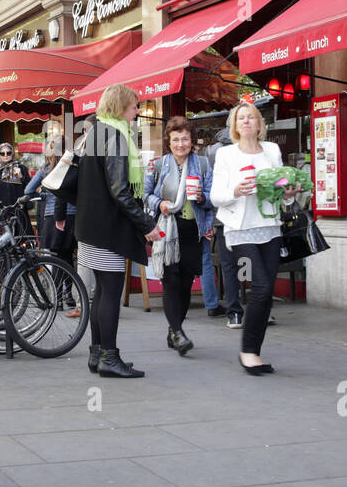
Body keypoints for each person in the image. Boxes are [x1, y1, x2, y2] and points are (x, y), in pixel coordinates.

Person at [210, 100, 301, 375]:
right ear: (235, 127)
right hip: (240, 231)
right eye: (241, 118)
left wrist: (288, 193)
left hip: (270, 228)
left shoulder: (272, 151)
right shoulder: (226, 155)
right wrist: (236, 190)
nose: (247, 121)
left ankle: (254, 352)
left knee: (267, 291)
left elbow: (281, 187)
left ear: (260, 124)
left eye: (251, 117)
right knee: (259, 287)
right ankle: (247, 352)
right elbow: (216, 196)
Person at [75, 84, 158, 378]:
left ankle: (97, 354)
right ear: (122, 106)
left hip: (90, 226)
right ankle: (109, 358)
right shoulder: (116, 136)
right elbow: (121, 191)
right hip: (108, 228)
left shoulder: (95, 133)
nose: (138, 112)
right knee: (111, 292)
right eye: (135, 106)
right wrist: (147, 224)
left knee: (100, 292)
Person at [144, 116, 214, 355]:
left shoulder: (203, 164)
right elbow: (145, 196)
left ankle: (174, 330)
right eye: (176, 139)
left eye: (185, 139)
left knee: (185, 283)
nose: (181, 144)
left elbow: (212, 197)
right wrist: (160, 202)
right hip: (166, 228)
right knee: (171, 281)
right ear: (169, 141)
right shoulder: (158, 165)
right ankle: (177, 331)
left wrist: (203, 198)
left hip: (192, 229)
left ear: (192, 141)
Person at [25, 135, 81, 318]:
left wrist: (45, 197)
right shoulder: (72, 166)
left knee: (57, 258)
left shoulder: (45, 169)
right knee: (68, 257)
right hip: (72, 216)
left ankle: (57, 297)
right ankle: (69, 297)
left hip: (52, 217)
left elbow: (28, 190)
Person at [207, 126, 244, 327]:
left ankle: (235, 312)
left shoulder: (213, 150)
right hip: (242, 215)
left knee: (230, 266)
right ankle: (253, 311)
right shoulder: (239, 149)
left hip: (223, 217)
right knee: (249, 265)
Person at [0, 141, 31, 206]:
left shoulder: (21, 168)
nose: (5, 155)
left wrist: (21, 176)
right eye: (2, 153)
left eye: (8, 153)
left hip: (17, 208)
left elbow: (28, 188)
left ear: (12, 153)